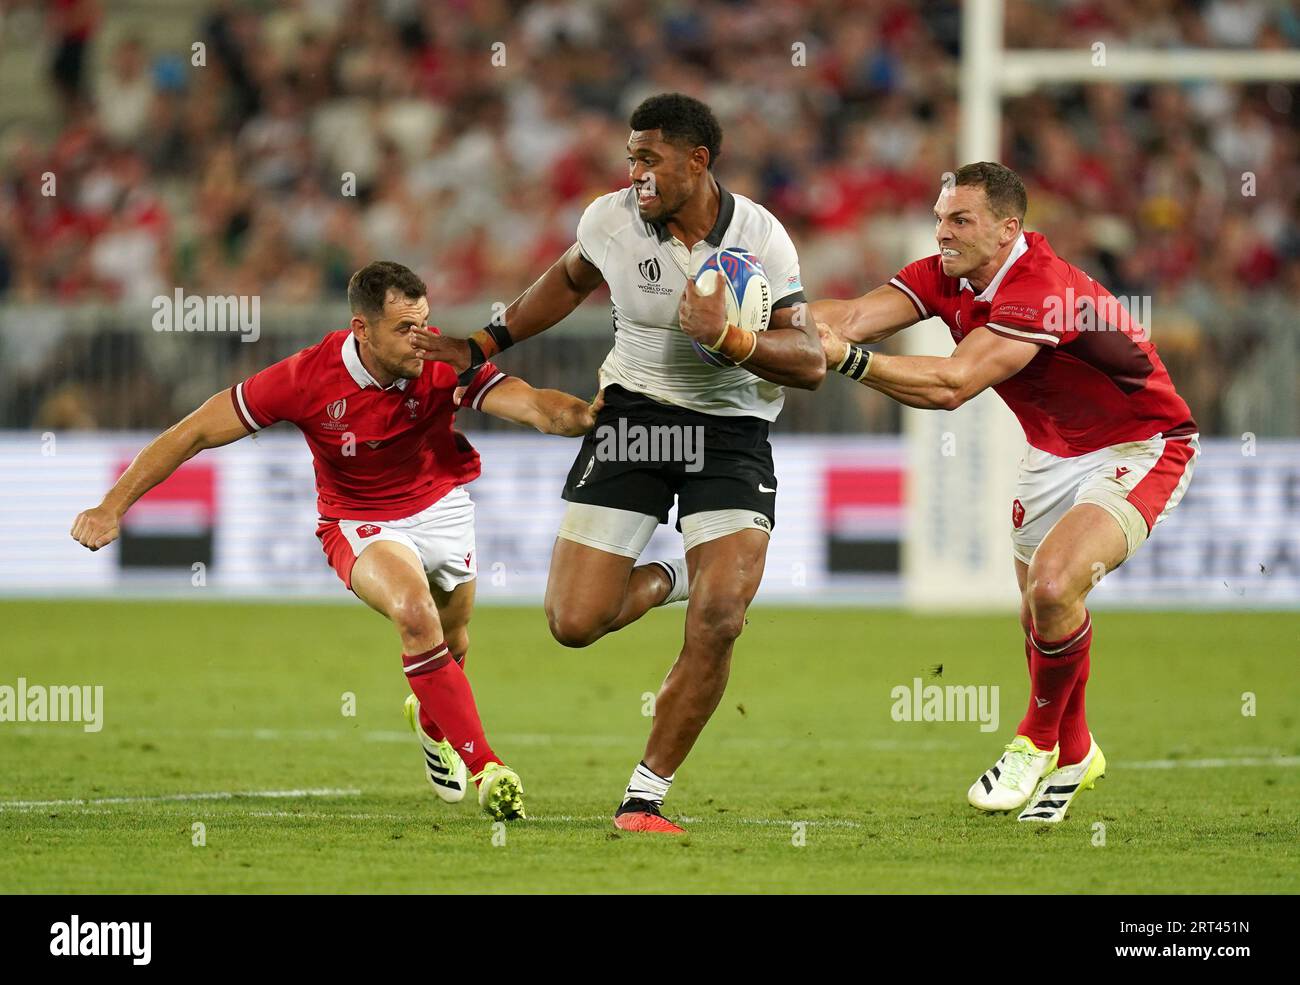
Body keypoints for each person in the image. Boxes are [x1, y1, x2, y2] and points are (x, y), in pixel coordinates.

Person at [410, 93, 825, 833]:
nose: (634, 173)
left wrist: (733, 341)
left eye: (650, 159)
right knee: (574, 620)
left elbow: (811, 362)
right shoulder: (611, 219)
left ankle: (644, 796)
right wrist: (483, 344)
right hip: (634, 417)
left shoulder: (763, 237)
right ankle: (680, 572)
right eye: (630, 157)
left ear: (698, 162)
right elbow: (570, 279)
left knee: (722, 617)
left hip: (729, 432)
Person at [71, 260, 599, 821]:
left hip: (442, 505)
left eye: (424, 322)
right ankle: (488, 769)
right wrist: (112, 505)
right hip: (359, 520)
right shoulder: (305, 378)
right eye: (404, 329)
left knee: (453, 635)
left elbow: (534, 405)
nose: (421, 340)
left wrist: (583, 415)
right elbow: (194, 430)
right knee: (413, 612)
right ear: (361, 329)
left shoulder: (441, 362)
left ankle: (428, 720)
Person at [812, 163, 1199, 823]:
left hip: (1140, 444)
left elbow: (953, 385)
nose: (943, 233)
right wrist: (769, 320)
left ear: (1007, 227)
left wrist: (846, 360)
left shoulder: (1039, 287)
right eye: (940, 218)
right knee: (1041, 613)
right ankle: (1077, 751)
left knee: (1052, 588)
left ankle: (1035, 740)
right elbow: (848, 315)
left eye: (959, 220)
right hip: (1052, 454)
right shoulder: (945, 274)